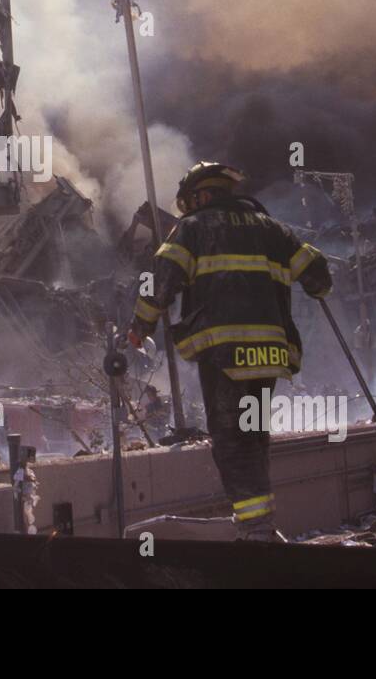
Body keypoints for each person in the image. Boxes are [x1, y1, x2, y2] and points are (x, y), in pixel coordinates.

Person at [129, 161, 332, 541]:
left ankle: (256, 530)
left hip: (225, 354)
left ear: (201, 195)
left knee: (232, 441)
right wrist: (317, 287)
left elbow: (161, 280)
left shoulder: (191, 229)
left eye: (190, 201)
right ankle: (262, 526)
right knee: (253, 435)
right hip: (270, 355)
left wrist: (141, 326)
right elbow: (317, 272)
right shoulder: (273, 228)